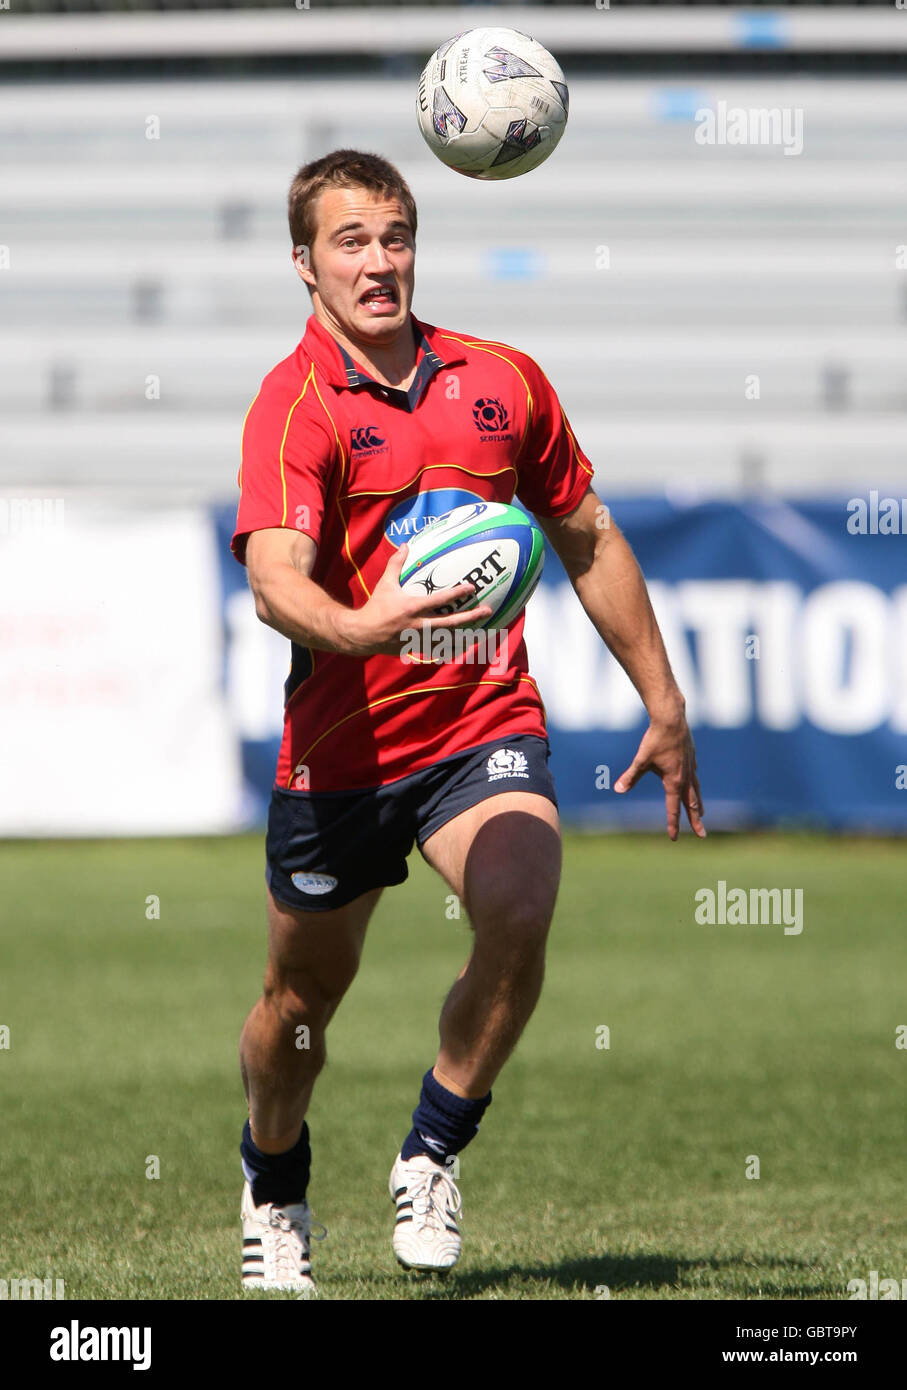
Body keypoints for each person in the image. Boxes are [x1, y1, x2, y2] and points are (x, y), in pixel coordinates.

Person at [230, 148, 705, 1295]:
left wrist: (664, 699)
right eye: (351, 241)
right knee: (298, 1008)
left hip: (481, 722)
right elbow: (274, 581)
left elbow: (585, 534)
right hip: (342, 749)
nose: (379, 261)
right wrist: (367, 625)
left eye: (394, 235)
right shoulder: (295, 405)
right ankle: (273, 1180)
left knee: (519, 905)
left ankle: (433, 1148)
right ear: (304, 264)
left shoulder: (501, 379)